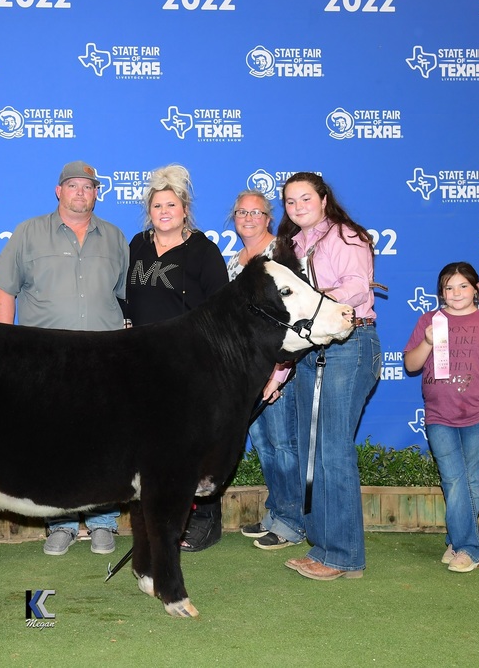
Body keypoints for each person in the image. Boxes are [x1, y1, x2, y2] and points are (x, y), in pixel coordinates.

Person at [0, 160, 129, 557]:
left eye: (89, 186)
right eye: (73, 185)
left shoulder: (116, 237)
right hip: (46, 361)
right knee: (53, 444)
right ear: (59, 190)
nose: (81, 192)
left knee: (104, 443)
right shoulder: (29, 232)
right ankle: (60, 523)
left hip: (103, 360)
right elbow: (5, 289)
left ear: (96, 193)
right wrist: (6, 346)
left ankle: (102, 521)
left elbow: (125, 297)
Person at [275, 172, 380, 581]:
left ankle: (343, 555)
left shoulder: (345, 235)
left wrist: (311, 303)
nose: (297, 207)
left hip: (348, 343)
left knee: (332, 451)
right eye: (290, 201)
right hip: (313, 346)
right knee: (312, 452)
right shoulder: (294, 245)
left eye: (305, 198)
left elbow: (355, 289)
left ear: (323, 199)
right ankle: (322, 547)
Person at [125, 164, 228, 551]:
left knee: (195, 444)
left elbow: (221, 308)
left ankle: (205, 518)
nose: (164, 211)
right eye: (157, 206)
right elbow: (125, 296)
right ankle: (159, 515)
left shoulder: (203, 250)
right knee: (154, 444)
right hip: (145, 362)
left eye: (171, 205)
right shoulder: (137, 245)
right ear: (148, 212)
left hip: (191, 363)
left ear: (185, 209)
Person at [404, 262, 479, 573]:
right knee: (453, 480)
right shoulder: (430, 321)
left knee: (472, 483)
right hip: (439, 416)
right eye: (449, 288)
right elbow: (411, 365)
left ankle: (456, 541)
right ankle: (471, 548)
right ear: (441, 293)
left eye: (463, 286)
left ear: (476, 288)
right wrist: (427, 341)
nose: (456, 293)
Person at [227, 190, 305, 551]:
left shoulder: (282, 254)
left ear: (268, 218)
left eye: (255, 212)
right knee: (264, 445)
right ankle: (277, 513)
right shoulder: (234, 262)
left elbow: (293, 317)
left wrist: (278, 372)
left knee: (284, 444)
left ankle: (293, 523)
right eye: (241, 212)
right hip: (248, 369)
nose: (248, 218)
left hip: (277, 367)